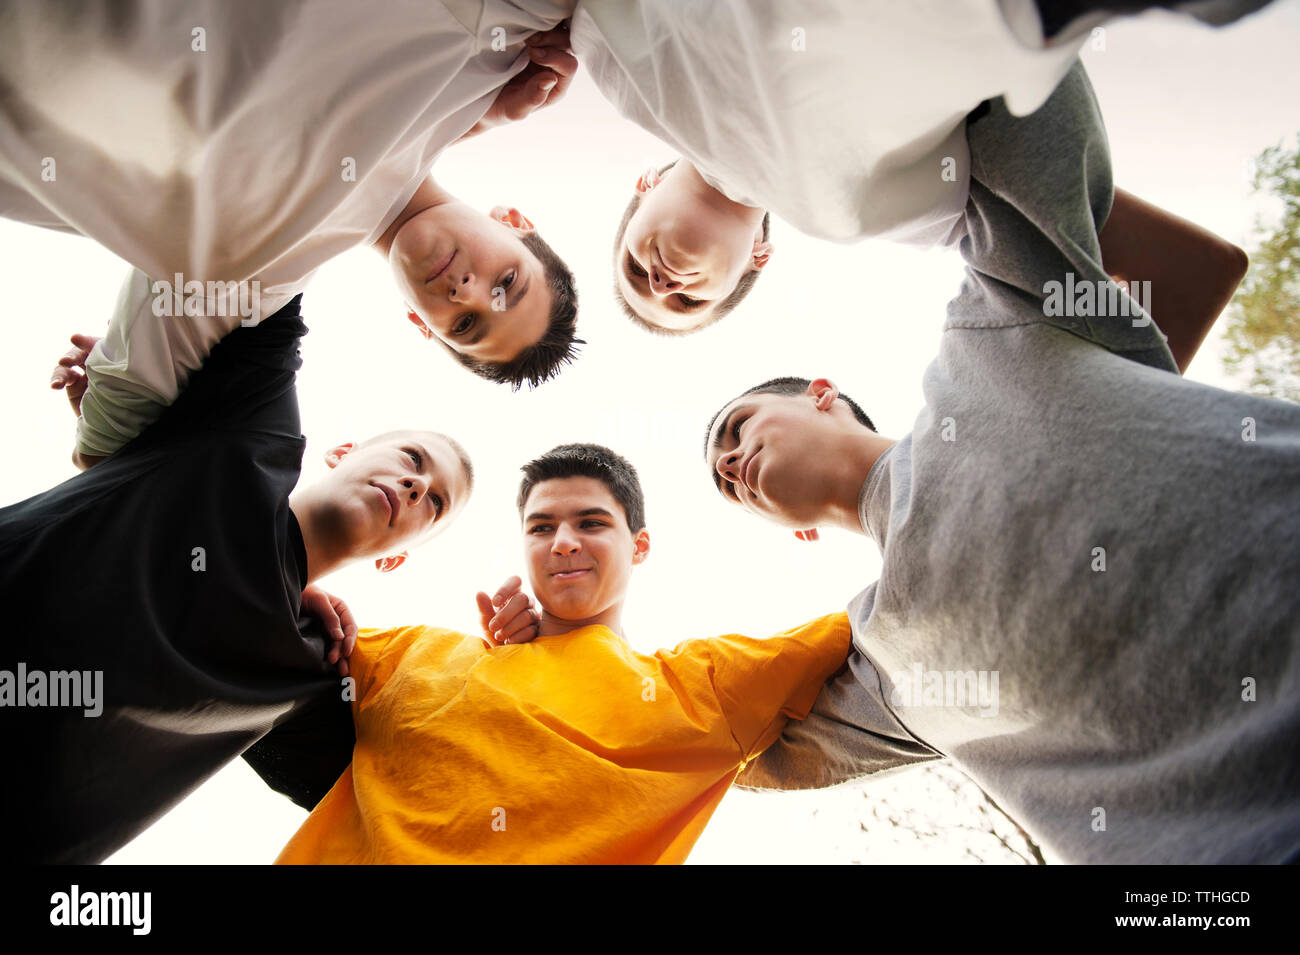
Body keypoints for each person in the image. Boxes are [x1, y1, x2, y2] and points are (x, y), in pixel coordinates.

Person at [700, 62, 1300, 863]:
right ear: (794, 534)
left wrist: (734, 149)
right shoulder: (877, 668)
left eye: (736, 428)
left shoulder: (995, 344)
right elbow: (710, 748)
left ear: (821, 393)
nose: (734, 461)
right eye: (723, 478)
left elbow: (1018, 104)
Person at [0, 2, 582, 467]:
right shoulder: (488, 63)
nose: (467, 293)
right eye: (506, 282)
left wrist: (103, 430)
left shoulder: (260, 281)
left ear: (420, 327)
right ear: (514, 222)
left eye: (466, 325)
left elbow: (107, 448)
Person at [1, 295, 474, 863]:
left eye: (436, 504)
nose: (415, 486)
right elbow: (265, 265)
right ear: (343, 451)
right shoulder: (250, 431)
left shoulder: (313, 671)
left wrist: (547, 634)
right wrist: (124, 388)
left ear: (396, 559)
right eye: (412, 458)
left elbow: (426, 804)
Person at [276, 443, 851, 864]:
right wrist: (301, 583)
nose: (564, 542)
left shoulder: (703, 688)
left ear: (640, 546)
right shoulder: (413, 653)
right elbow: (244, 621)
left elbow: (899, 618)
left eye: (592, 523)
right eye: (541, 527)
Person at [573, 0, 1271, 334]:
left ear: (643, 188)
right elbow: (1191, 270)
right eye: (685, 301)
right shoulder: (862, 219)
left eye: (635, 271)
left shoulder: (618, 67)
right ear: (757, 256)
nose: (662, 283)